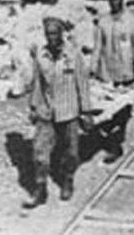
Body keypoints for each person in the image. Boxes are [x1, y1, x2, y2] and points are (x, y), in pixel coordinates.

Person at [26, 17, 93, 207]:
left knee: (70, 152)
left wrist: (86, 111)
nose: (51, 37)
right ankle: (40, 187)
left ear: (61, 34)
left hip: (68, 111)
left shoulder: (73, 54)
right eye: (48, 34)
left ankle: (67, 181)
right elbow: (37, 83)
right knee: (40, 150)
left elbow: (82, 84)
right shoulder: (41, 54)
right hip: (47, 110)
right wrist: (33, 106)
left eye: (55, 33)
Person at [92, 0, 134, 163]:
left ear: (122, 0)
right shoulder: (103, 21)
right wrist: (93, 69)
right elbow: (98, 47)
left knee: (123, 109)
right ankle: (111, 140)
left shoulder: (130, 20)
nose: (114, 3)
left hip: (126, 71)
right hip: (107, 71)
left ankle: (116, 146)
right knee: (108, 109)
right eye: (111, 0)